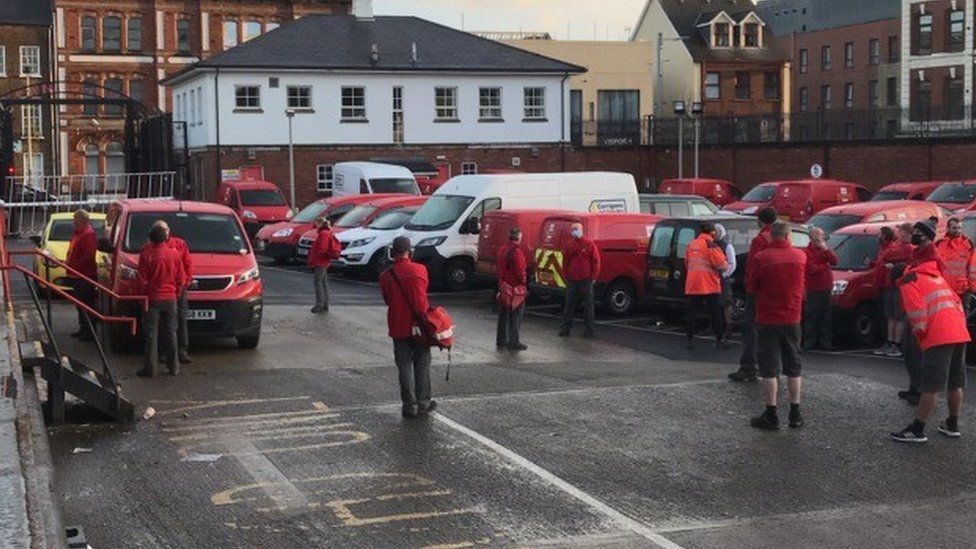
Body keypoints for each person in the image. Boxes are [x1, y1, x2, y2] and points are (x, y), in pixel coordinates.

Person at [891, 223, 970, 443]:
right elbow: (955, 301)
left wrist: (921, 335)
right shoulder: (935, 275)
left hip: (940, 335)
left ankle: (917, 429)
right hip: (959, 330)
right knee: (955, 382)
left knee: (931, 385)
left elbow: (917, 314)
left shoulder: (908, 281)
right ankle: (952, 423)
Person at [747, 221, 807, 431]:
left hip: (768, 317)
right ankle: (795, 412)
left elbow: (752, 285)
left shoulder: (761, 258)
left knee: (769, 368)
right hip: (792, 317)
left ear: (771, 236)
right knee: (793, 366)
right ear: (789, 235)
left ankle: (771, 414)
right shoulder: (800, 257)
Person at [379, 236, 436, 419]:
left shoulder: (386, 275)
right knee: (422, 363)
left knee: (404, 365)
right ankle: (423, 402)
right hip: (418, 325)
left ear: (393, 252)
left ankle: (408, 405)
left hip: (398, 324)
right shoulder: (420, 270)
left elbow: (388, 300)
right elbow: (421, 302)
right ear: (409, 251)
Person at [729, 207, 778, 382]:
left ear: (760, 221)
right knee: (773, 331)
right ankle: (772, 368)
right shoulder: (782, 237)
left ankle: (748, 367)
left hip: (757, 291)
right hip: (775, 291)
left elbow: (753, 265)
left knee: (750, 329)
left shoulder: (760, 239)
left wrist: (749, 286)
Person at [901, 219, 946, 406]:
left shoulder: (932, 256)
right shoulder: (918, 252)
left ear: (927, 236)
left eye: (918, 232)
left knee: (917, 352)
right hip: (912, 305)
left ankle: (920, 390)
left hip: (924, 309)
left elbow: (928, 280)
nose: (914, 235)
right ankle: (914, 386)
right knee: (908, 351)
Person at [137, 224, 186, 378]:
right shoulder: (175, 255)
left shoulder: (146, 255)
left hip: (153, 297)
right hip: (170, 297)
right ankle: (174, 367)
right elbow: (181, 278)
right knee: (171, 332)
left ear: (151, 238)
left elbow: (142, 280)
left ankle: (150, 368)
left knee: (151, 334)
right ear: (165, 237)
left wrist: (143, 295)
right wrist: (177, 293)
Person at [684, 221, 729, 350]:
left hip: (693, 283)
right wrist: (724, 266)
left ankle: (689, 340)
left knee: (692, 313)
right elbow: (721, 265)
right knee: (715, 313)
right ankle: (720, 339)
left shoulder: (692, 244)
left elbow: (687, 263)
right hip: (709, 284)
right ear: (711, 232)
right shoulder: (711, 245)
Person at [872, 223, 914, 358]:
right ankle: (890, 342)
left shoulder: (907, 247)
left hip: (899, 286)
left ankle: (897, 343)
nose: (899, 233)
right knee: (891, 315)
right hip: (890, 284)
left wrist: (893, 265)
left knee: (898, 316)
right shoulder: (899, 245)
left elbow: (889, 254)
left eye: (901, 231)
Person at [155, 221, 193, 364]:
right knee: (164, 323)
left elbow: (187, 265)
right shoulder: (151, 247)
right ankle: (164, 352)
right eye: (160, 230)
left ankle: (182, 351)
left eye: (165, 229)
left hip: (178, 289)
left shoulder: (180, 244)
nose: (163, 232)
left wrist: (185, 283)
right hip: (163, 291)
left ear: (169, 230)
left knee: (181, 320)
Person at [559, 222, 601, 339]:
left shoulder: (589, 244)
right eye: (572, 229)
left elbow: (596, 261)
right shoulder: (569, 245)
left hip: (586, 279)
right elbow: (565, 262)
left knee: (588, 306)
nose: (574, 231)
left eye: (576, 229)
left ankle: (589, 330)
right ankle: (565, 329)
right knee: (569, 305)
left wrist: (593, 277)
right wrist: (566, 276)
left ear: (581, 230)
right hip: (572, 279)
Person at [802, 227, 838, 351]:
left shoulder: (825, 250)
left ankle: (825, 341)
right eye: (817, 236)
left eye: (821, 236)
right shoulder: (807, 252)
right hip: (813, 288)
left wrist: (826, 250)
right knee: (812, 316)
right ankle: (810, 342)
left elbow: (835, 261)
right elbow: (812, 269)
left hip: (826, 287)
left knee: (826, 316)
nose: (820, 238)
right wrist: (825, 266)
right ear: (811, 238)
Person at [65, 209, 99, 342]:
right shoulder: (79, 233)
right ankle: (83, 328)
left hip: (84, 275)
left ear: (82, 220)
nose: (73, 221)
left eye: (75, 219)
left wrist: (75, 266)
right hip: (76, 274)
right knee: (80, 304)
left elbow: (88, 255)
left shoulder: (87, 234)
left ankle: (90, 331)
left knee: (86, 304)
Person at [935, 217, 976, 313]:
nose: (957, 230)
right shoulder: (939, 245)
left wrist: (972, 287)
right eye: (954, 228)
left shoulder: (968, 245)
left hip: (963, 289)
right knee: (947, 315)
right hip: (945, 288)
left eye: (959, 228)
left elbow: (972, 267)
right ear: (948, 229)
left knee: (964, 315)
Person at [496, 227, 528, 351]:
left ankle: (501, 339)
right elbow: (520, 270)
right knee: (516, 315)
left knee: (503, 314)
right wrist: (524, 282)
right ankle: (514, 341)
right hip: (515, 288)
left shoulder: (502, 249)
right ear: (519, 238)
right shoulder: (517, 252)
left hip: (504, 286)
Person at [308, 218, 341, 314]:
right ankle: (324, 304)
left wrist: (316, 255)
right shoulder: (326, 232)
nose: (315, 226)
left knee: (318, 282)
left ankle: (320, 304)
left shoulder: (323, 234)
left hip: (321, 261)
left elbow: (323, 248)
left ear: (320, 223)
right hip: (323, 261)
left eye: (316, 224)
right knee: (323, 282)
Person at [714, 224, 737, 329]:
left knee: (727, 302)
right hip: (712, 279)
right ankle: (716, 324)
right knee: (714, 303)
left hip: (723, 279)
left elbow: (732, 264)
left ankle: (729, 325)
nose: (715, 234)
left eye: (718, 232)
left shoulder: (727, 246)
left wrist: (723, 275)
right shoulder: (710, 244)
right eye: (714, 231)